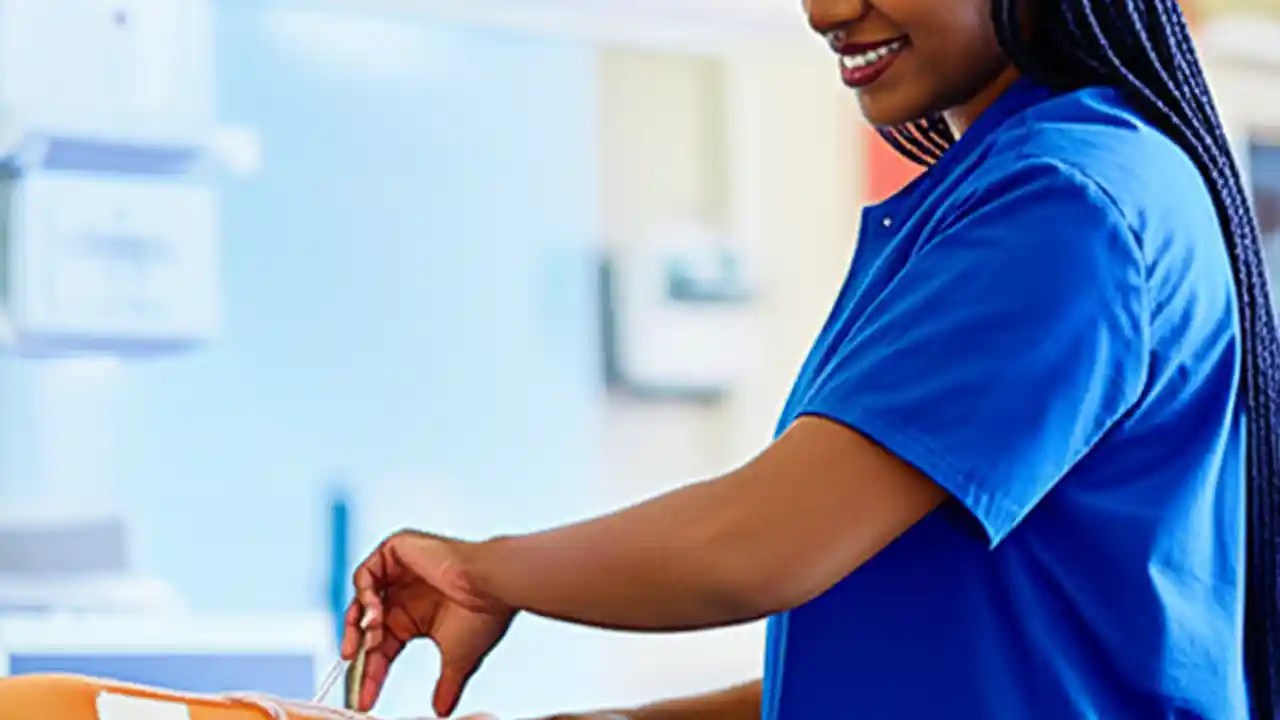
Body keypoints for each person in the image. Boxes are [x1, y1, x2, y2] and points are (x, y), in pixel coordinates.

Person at [343, 0, 1280, 718]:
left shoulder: (1065, 203)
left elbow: (751, 547)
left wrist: (486, 572)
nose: (826, 9)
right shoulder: (1038, 188)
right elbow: (925, 661)